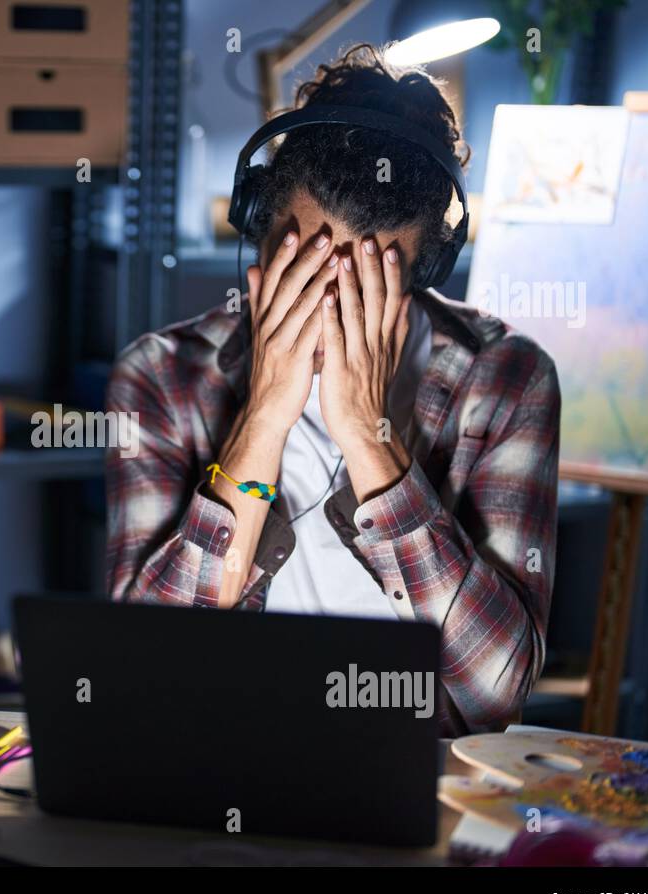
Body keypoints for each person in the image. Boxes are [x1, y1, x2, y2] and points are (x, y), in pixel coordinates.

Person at [104, 44, 561, 735]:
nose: (325, 313)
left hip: (410, 773)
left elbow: (494, 691)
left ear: (423, 271)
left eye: (362, 288)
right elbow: (138, 668)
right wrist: (261, 420)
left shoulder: (504, 378)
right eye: (305, 274)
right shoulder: (161, 375)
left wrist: (367, 432)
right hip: (218, 754)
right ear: (258, 234)